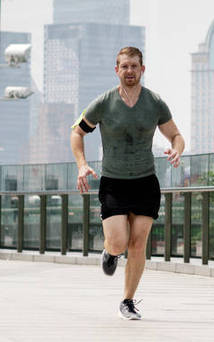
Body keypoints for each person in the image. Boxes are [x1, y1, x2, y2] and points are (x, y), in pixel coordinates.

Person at [71, 46, 185, 320]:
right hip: (113, 182)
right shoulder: (103, 103)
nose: (130, 71)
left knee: (137, 244)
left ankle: (128, 300)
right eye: (125, 66)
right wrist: (82, 165)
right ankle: (111, 252)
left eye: (134, 66)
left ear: (142, 69)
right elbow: (77, 132)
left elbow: (176, 135)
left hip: (145, 181)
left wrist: (177, 149)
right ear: (117, 70)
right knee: (120, 242)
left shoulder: (154, 103)